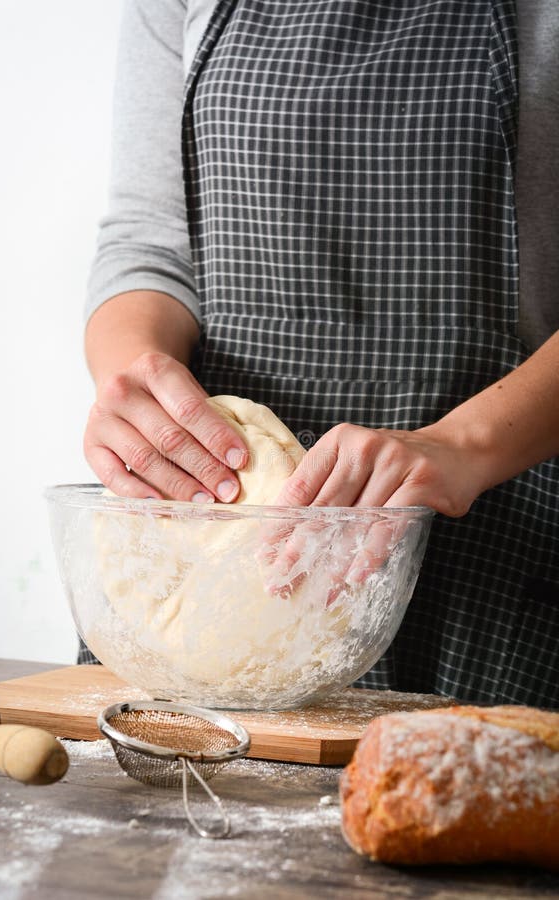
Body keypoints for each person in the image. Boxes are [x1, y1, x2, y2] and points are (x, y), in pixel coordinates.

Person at [82, 0, 559, 707]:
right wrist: (138, 376)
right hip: (217, 534)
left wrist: (464, 447)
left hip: (499, 516)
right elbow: (150, 241)